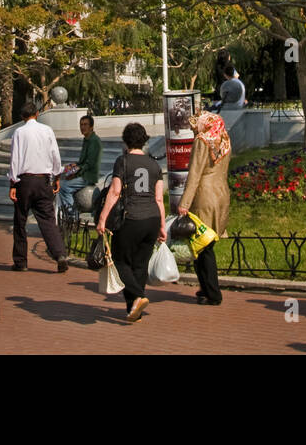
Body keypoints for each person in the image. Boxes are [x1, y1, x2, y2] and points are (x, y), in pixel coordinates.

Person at [96, 122, 166, 322]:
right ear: (144, 141)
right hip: (152, 218)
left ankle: (139, 296)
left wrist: (102, 218)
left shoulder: (123, 161)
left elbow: (115, 191)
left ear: (125, 141)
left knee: (119, 262)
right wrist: (162, 225)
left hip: (131, 219)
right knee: (140, 265)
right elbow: (159, 198)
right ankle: (134, 309)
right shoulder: (154, 165)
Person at [7, 100, 69, 273]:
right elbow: (55, 155)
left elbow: (15, 160)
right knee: (48, 220)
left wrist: (13, 182)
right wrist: (57, 175)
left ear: (22, 117)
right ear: (37, 114)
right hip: (43, 180)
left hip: (24, 181)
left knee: (20, 221)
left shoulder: (19, 132)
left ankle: (21, 261)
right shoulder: (47, 130)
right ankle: (59, 254)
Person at [177, 110, 230, 306]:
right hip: (221, 194)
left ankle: (213, 293)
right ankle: (206, 287)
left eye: (195, 126)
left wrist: (184, 204)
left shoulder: (202, 140)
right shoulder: (223, 138)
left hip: (204, 197)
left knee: (203, 246)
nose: (194, 130)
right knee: (205, 244)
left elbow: (194, 174)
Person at [58, 114, 101, 218]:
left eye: (85, 124)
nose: (83, 127)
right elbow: (83, 161)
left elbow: (89, 164)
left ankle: (73, 216)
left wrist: (75, 173)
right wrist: (75, 165)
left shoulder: (93, 141)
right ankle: (66, 214)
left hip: (88, 176)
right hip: (84, 173)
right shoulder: (87, 139)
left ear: (91, 127)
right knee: (62, 181)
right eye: (81, 124)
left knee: (64, 187)